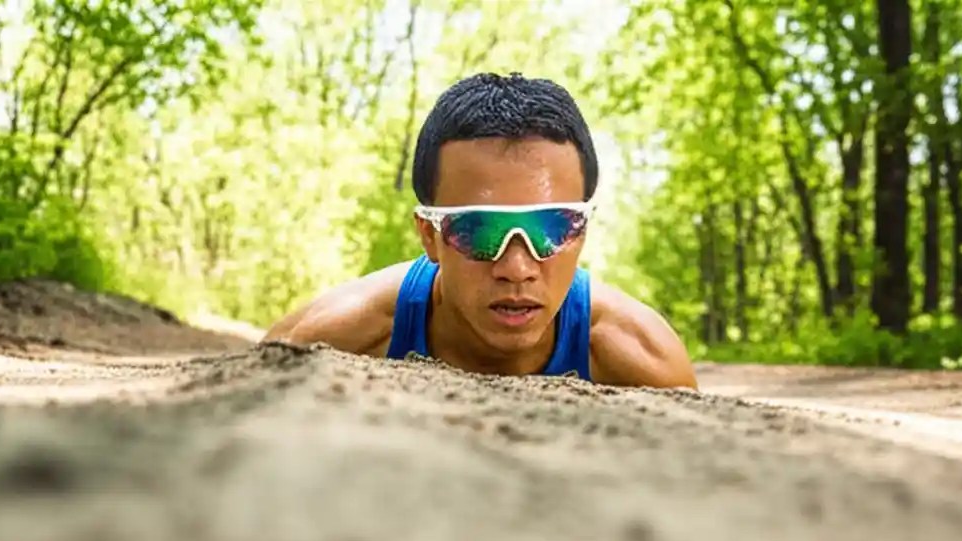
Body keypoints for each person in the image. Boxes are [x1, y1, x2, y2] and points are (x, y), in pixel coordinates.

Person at [264, 72, 697, 389]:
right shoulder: (339, 334)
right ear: (430, 236)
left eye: (550, 228)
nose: (517, 268)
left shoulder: (641, 357)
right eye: (478, 231)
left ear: (581, 233)